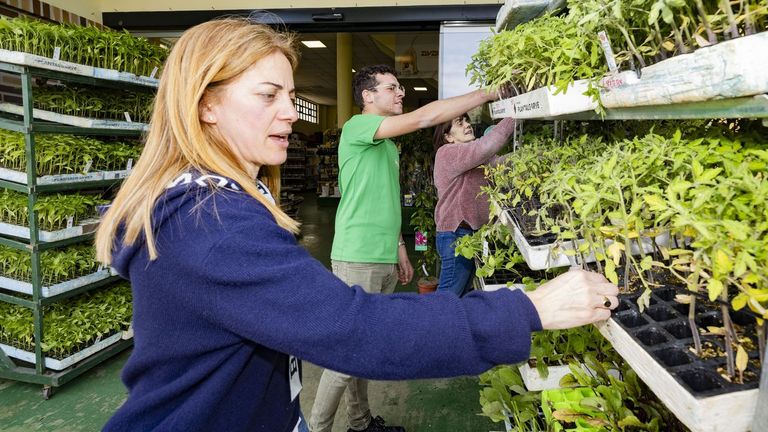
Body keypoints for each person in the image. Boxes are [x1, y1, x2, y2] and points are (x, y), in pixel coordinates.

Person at [95, 17, 619, 432]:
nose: (291, 114)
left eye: (289, 95)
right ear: (206, 104)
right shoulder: (209, 223)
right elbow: (355, 330)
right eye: (267, 95)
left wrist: (398, 245)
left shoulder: (218, 197)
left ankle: (357, 420)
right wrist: (527, 308)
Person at [432, 114, 515, 296]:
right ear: (448, 137)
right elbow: (485, 147)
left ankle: (449, 324)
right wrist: (515, 114)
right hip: (456, 234)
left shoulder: (474, 156)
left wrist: (531, 156)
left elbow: (500, 164)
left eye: (467, 121)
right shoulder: (447, 153)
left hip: (470, 235)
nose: (467, 125)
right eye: (460, 123)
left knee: (460, 295)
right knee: (448, 297)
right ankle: (432, 324)